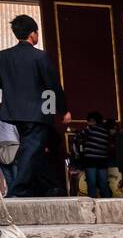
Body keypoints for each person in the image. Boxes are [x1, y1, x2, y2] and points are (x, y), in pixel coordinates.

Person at [0, 14, 70, 197]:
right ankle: (18, 190)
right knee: (32, 149)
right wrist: (61, 111)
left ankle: (48, 188)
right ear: (33, 34)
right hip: (38, 114)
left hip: (13, 113)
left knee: (33, 149)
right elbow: (51, 86)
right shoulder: (40, 56)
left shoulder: (3, 57)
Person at [73, 111, 114, 198]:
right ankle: (107, 202)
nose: (88, 123)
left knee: (92, 185)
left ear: (93, 121)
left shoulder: (90, 128)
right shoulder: (105, 131)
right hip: (102, 161)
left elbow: (78, 138)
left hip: (91, 161)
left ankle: (92, 204)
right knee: (104, 185)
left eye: (89, 121)